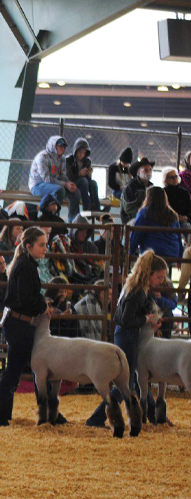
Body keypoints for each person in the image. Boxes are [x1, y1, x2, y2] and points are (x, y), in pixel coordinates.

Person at [85, 251, 168, 428]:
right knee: (126, 384)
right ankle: (97, 418)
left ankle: (153, 416)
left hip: (126, 335)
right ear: (150, 273)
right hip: (127, 336)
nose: (161, 281)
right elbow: (127, 319)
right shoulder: (138, 291)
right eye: (159, 277)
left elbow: (123, 317)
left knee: (134, 380)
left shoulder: (136, 287)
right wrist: (147, 319)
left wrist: (152, 318)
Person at [0, 227, 53, 426]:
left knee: (28, 370)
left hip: (18, 323)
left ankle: (48, 412)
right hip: (20, 324)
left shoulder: (25, 264)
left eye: (45, 244)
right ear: (28, 246)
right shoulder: (26, 266)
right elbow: (27, 299)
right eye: (41, 245)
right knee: (19, 370)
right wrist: (43, 305)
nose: (45, 249)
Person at [29, 136, 80, 222]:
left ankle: (73, 221)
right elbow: (47, 179)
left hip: (55, 185)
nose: (62, 148)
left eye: (64, 146)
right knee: (60, 190)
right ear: (53, 146)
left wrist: (69, 183)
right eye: (60, 146)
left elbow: (63, 175)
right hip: (37, 185)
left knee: (76, 192)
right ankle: (53, 217)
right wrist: (65, 184)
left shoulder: (63, 159)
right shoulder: (42, 157)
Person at [129, 186, 183, 260]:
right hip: (173, 253)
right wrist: (180, 256)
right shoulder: (173, 214)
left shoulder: (145, 212)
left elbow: (136, 235)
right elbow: (178, 237)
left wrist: (130, 252)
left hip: (153, 252)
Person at [64, 137, 98, 213]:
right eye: (80, 152)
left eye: (84, 152)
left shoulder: (87, 161)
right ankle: (87, 207)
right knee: (83, 181)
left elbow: (88, 180)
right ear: (75, 151)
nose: (82, 155)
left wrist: (89, 175)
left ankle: (97, 208)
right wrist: (79, 174)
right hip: (73, 183)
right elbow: (69, 177)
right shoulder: (68, 160)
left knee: (93, 183)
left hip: (84, 183)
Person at [122, 156, 154, 224]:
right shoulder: (131, 186)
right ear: (138, 172)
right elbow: (129, 209)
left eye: (150, 170)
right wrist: (145, 216)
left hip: (147, 218)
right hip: (131, 220)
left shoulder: (151, 186)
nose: (149, 172)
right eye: (145, 170)